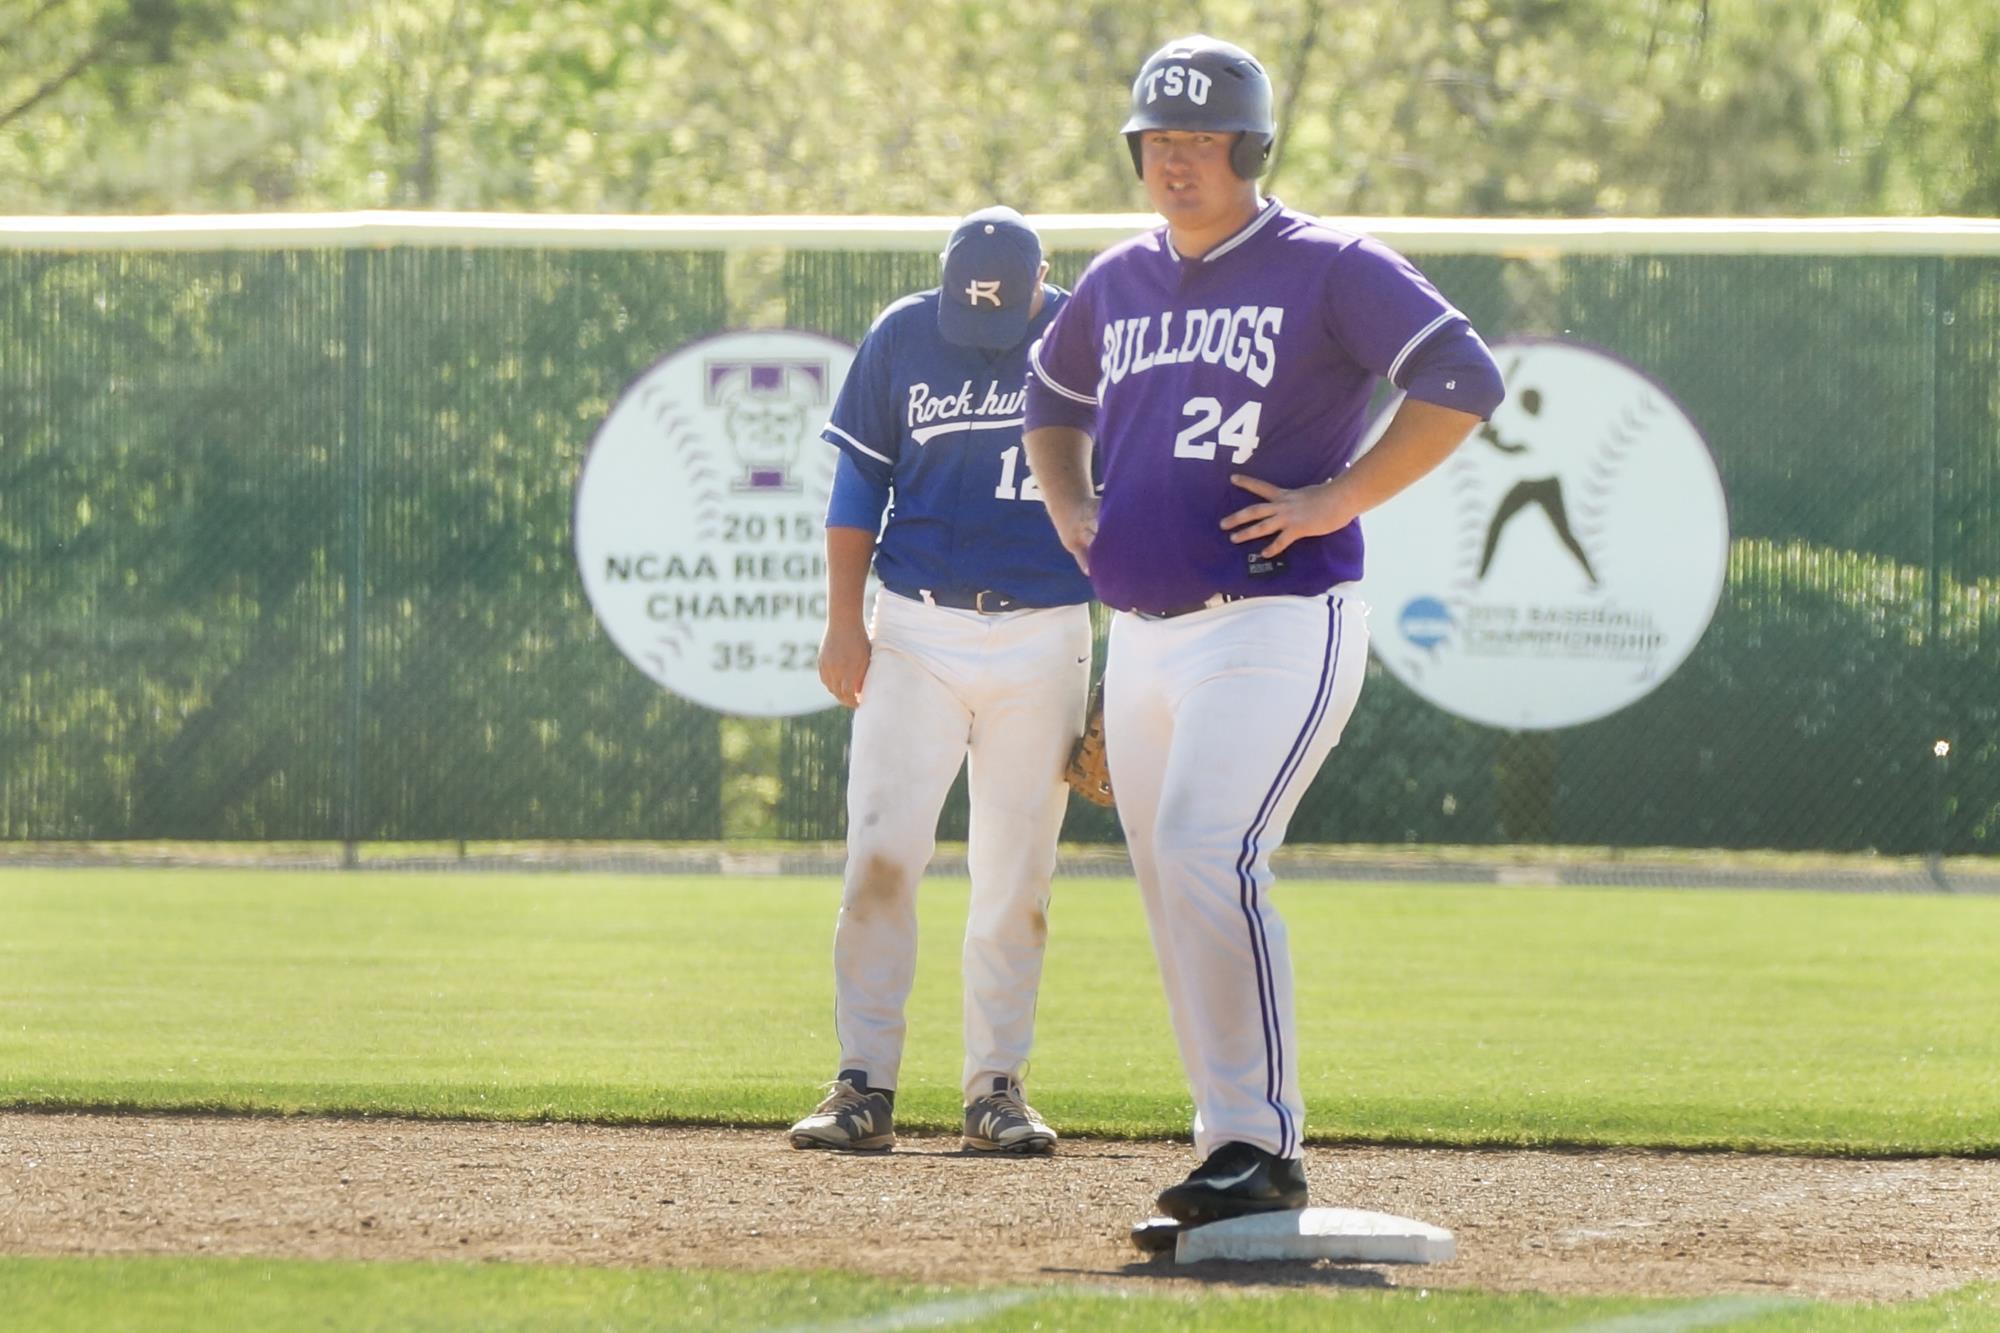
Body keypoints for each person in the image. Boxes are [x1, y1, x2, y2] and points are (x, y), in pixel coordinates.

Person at [1022, 36, 1506, 1222]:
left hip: (1275, 622)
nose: (1175, 162)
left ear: (1248, 149)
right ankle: (1222, 1142)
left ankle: (1259, 1144)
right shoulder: (1116, 279)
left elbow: (1462, 376)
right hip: (1140, 635)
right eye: (1157, 141)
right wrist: (1073, 507)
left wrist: (1340, 495)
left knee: (1202, 848)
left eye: (1199, 140)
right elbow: (1050, 397)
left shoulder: (1326, 264)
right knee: (1165, 879)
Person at [788, 206, 1094, 1156]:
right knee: (881, 856)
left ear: (1045, 279)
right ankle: (862, 1081)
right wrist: (845, 622)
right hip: (914, 628)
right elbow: (857, 490)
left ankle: (996, 1084)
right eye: (973, 308)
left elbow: (1126, 503)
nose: (986, 325)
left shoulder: (1085, 335)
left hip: (1046, 628)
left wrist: (1121, 673)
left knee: (1016, 873)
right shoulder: (906, 331)